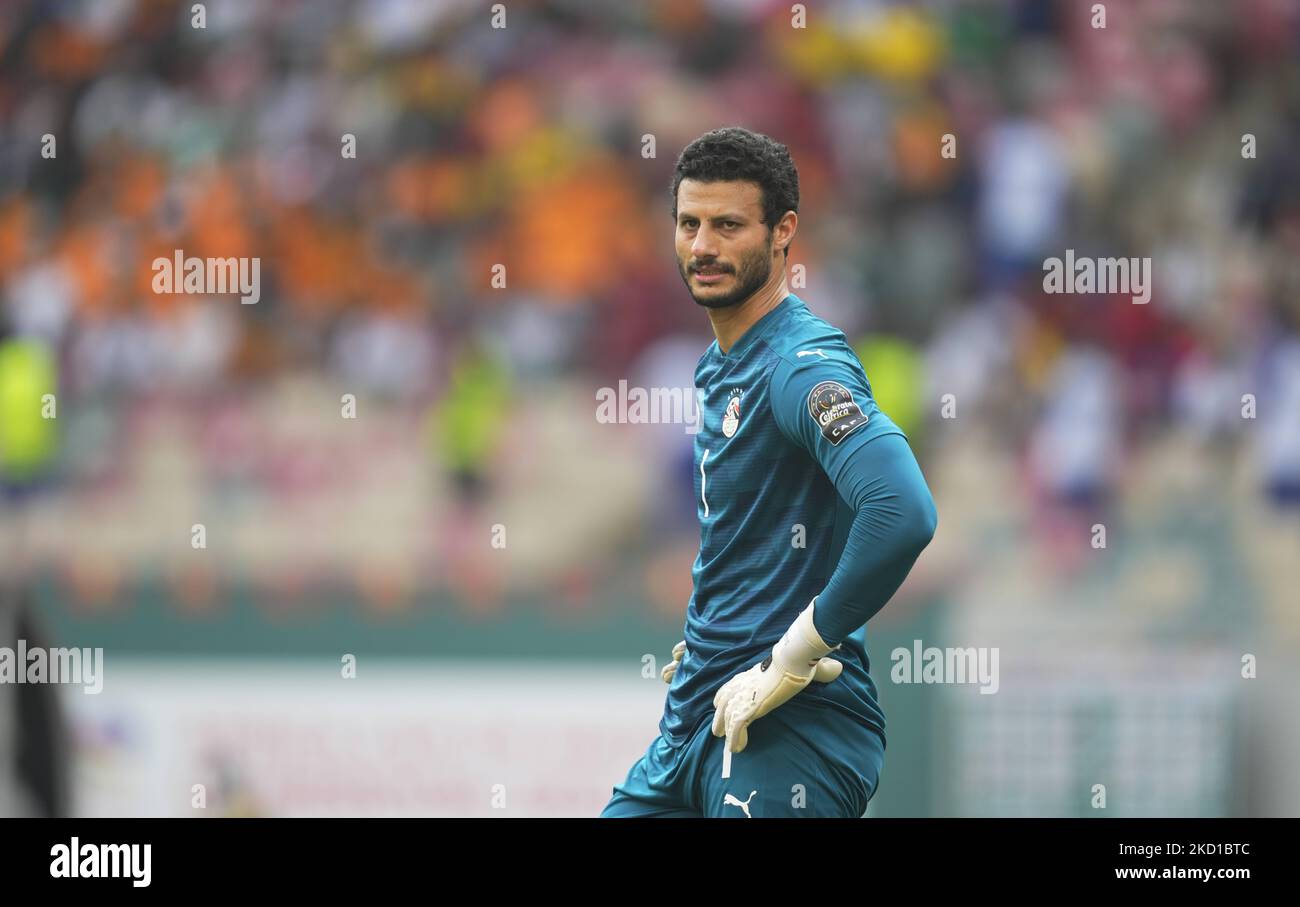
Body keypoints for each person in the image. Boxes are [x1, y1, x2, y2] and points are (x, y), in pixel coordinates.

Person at [601, 127, 937, 818]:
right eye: (689, 224)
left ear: (783, 232)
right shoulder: (720, 366)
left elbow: (902, 509)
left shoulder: (801, 365)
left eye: (727, 225)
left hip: (792, 723)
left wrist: (793, 651)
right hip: (699, 714)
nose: (702, 246)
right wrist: (719, 629)